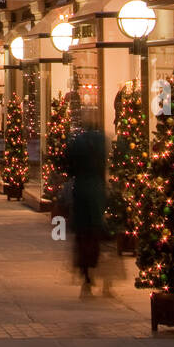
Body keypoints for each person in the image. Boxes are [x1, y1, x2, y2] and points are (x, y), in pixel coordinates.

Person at [65, 120, 107, 296]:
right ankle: (92, 264)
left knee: (82, 233)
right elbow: (103, 165)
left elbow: (68, 165)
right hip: (96, 190)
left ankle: (85, 272)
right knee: (94, 230)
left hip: (81, 190)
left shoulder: (77, 142)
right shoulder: (100, 142)